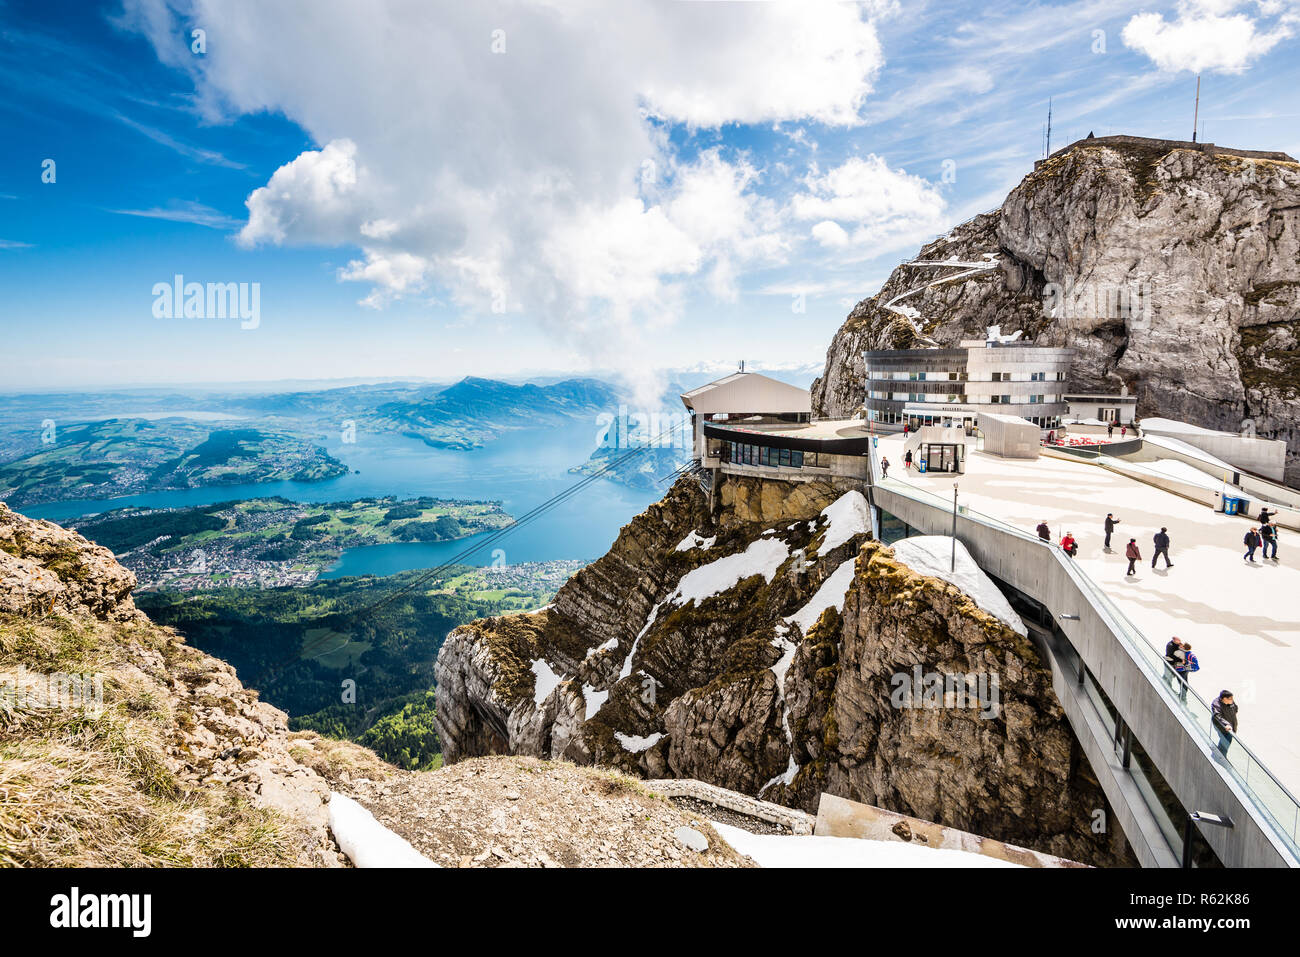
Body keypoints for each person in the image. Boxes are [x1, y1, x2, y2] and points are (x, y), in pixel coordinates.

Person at [1211, 690, 1238, 755]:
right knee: (1226, 741)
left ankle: (1220, 753)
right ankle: (1222, 755)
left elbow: (1236, 708)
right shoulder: (1216, 704)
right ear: (1224, 698)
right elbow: (1218, 716)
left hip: (1231, 725)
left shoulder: (1230, 702)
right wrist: (1226, 724)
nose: (1232, 700)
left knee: (1226, 741)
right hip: (1221, 726)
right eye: (1230, 699)